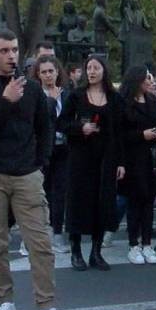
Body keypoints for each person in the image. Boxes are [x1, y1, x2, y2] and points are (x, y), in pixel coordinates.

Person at [0, 29, 78, 310]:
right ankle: (5, 304)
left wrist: (40, 164)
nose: (11, 55)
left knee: (41, 243)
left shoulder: (33, 90)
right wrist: (4, 101)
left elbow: (45, 128)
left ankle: (46, 309)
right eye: (4, 50)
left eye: (14, 50)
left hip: (26, 174)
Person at [58, 55, 125, 271]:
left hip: (106, 159)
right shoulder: (76, 96)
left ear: (104, 70)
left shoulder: (114, 98)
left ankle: (96, 252)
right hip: (80, 158)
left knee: (102, 203)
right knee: (78, 202)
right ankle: (76, 251)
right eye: (88, 68)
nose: (92, 71)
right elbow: (62, 123)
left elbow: (119, 132)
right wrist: (80, 128)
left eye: (96, 67)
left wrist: (120, 162)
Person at [118, 65, 156, 265]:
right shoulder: (122, 103)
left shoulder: (153, 100)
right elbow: (118, 134)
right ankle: (133, 244)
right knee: (134, 203)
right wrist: (141, 135)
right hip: (131, 158)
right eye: (146, 77)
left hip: (151, 158)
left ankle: (147, 243)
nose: (150, 81)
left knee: (149, 201)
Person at [32, 54, 70, 254]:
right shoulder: (35, 94)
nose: (48, 76)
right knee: (41, 192)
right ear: (38, 75)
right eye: (43, 72)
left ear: (57, 72)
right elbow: (38, 121)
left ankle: (57, 232)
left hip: (63, 149)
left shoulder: (66, 93)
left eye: (51, 71)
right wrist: (50, 101)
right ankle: (38, 233)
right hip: (42, 150)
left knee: (60, 192)